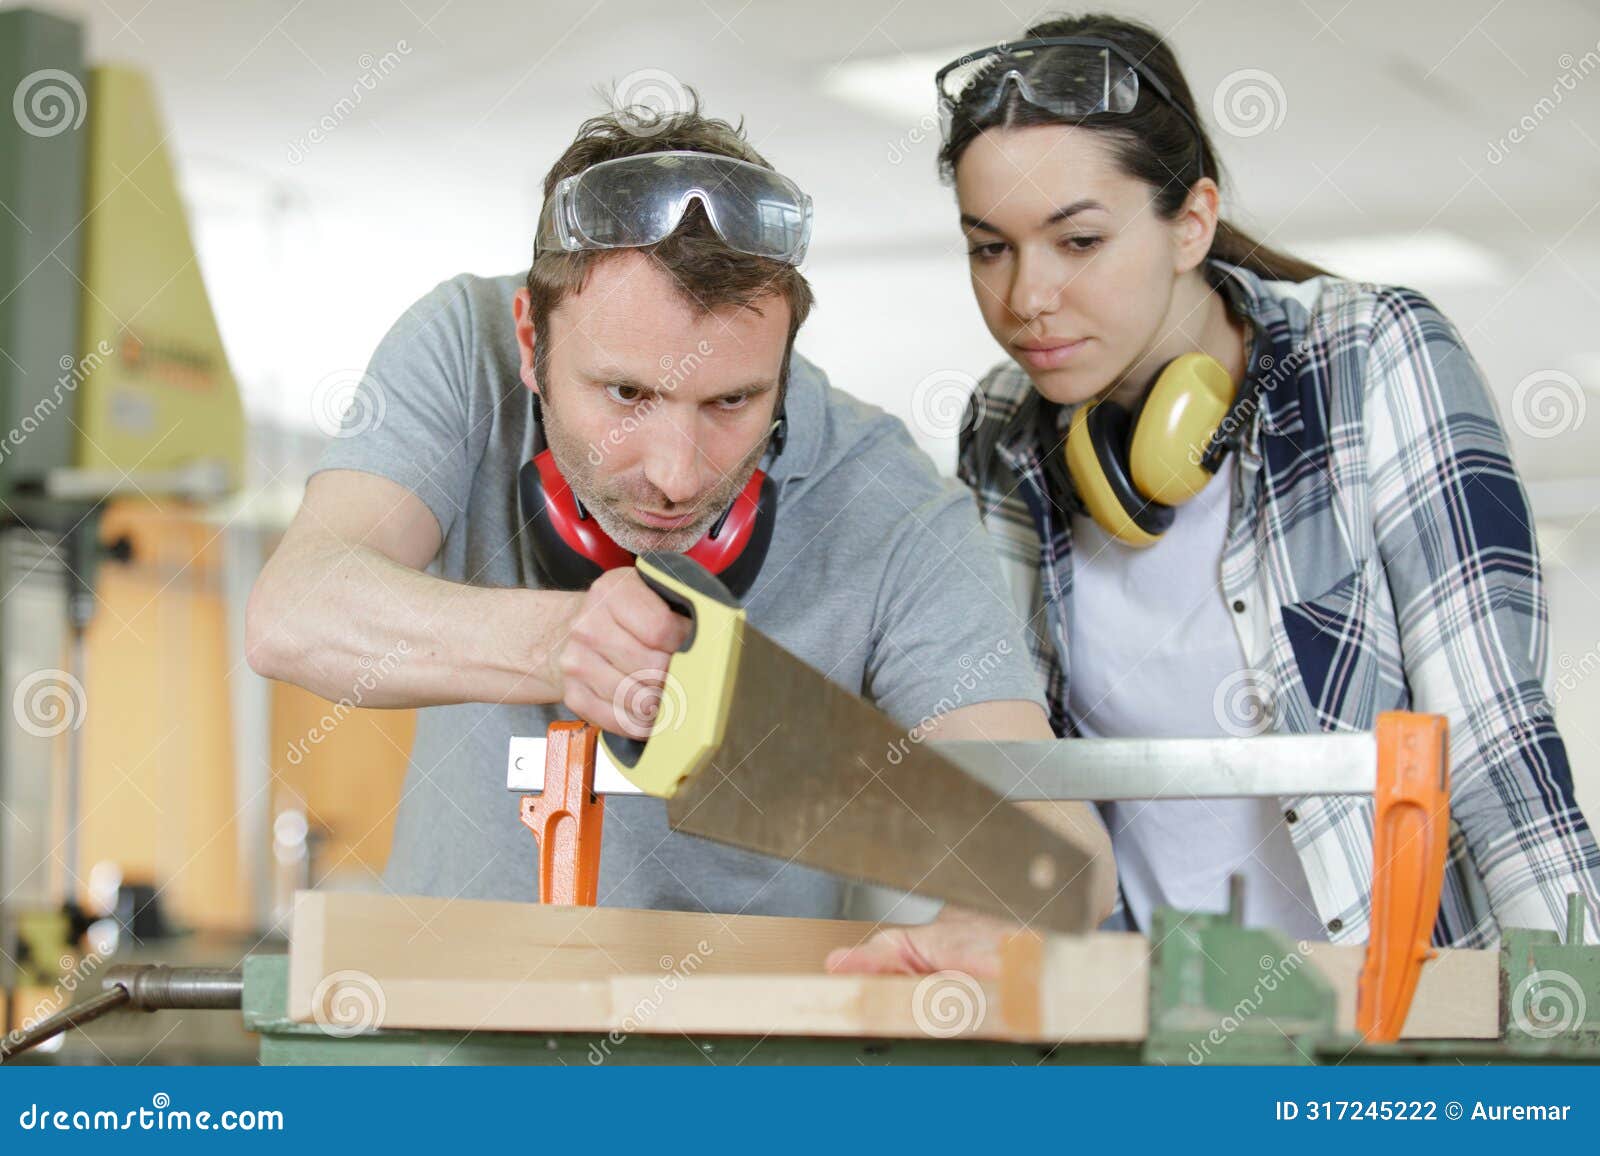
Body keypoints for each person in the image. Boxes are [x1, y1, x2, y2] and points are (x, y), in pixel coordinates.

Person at [828, 13, 1599, 975]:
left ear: (1191, 222)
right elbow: (1024, 768)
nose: (1026, 297)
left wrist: (1569, 1010)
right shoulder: (1004, 427)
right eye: (990, 247)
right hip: (1147, 1031)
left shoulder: (1370, 356)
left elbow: (1497, 751)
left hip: (1394, 1026)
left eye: (1078, 241)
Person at [246, 96, 1115, 923]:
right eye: (625, 392)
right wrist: (560, 644)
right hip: (441, 1049)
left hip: (739, 1066)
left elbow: (1061, 851)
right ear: (528, 340)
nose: (675, 474)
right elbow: (295, 611)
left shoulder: (887, 499)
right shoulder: (460, 349)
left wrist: (1010, 912)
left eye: (732, 402)